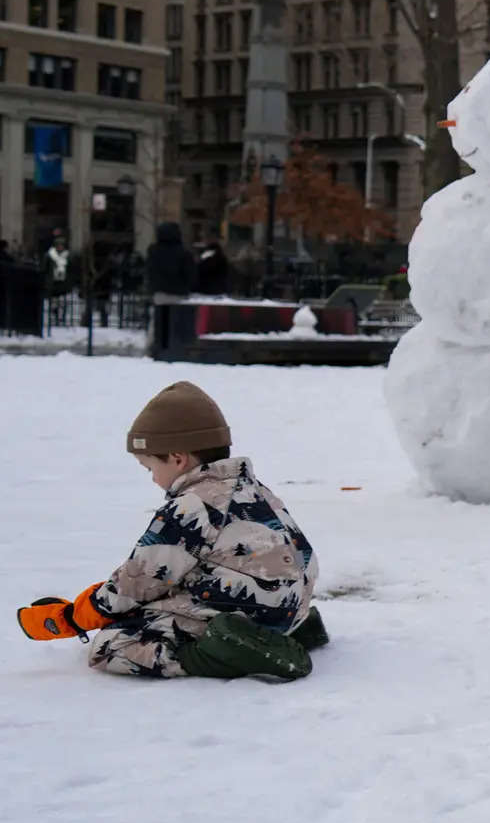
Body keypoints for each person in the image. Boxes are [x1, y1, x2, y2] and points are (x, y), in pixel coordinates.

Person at [13, 381, 325, 679]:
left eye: (150, 468)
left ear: (177, 459)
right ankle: (295, 629)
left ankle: (230, 651)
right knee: (150, 608)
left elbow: (137, 581)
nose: (152, 479)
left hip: (241, 612)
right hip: (287, 605)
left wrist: (74, 617)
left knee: (113, 645)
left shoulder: (191, 506)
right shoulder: (253, 489)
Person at [145, 222, 196, 356]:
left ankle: (155, 348)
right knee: (177, 322)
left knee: (158, 321)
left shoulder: (153, 251)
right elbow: (190, 274)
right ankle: (177, 348)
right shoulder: (184, 253)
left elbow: (150, 271)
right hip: (179, 292)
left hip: (160, 291)